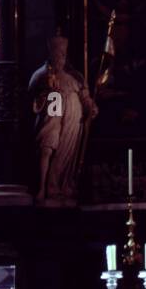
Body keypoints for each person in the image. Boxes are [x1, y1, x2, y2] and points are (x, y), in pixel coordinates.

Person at [28, 35, 98, 202]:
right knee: (49, 146)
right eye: (57, 54)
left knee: (67, 151)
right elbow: (31, 94)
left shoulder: (76, 76)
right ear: (50, 53)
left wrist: (91, 107)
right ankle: (45, 187)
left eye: (63, 55)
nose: (60, 58)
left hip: (74, 117)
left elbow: (86, 97)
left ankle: (61, 185)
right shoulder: (41, 74)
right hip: (54, 110)